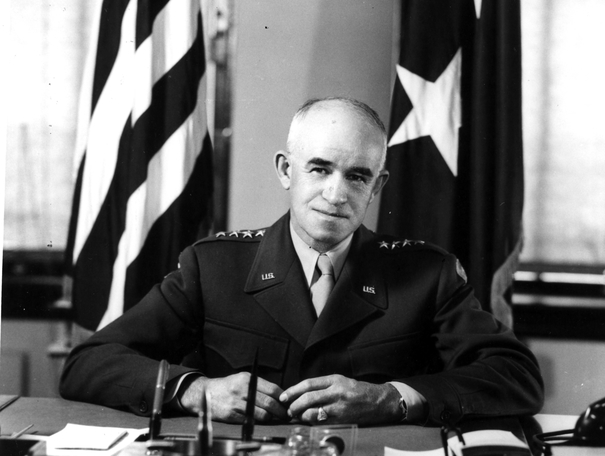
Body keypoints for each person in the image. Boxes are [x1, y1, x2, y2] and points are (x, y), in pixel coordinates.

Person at [60, 97, 543, 426]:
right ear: (286, 170)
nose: (336, 194)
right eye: (319, 168)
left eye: (357, 177)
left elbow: (516, 375)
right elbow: (88, 364)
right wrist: (196, 391)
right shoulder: (214, 267)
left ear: (377, 187)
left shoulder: (425, 274)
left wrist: (392, 398)